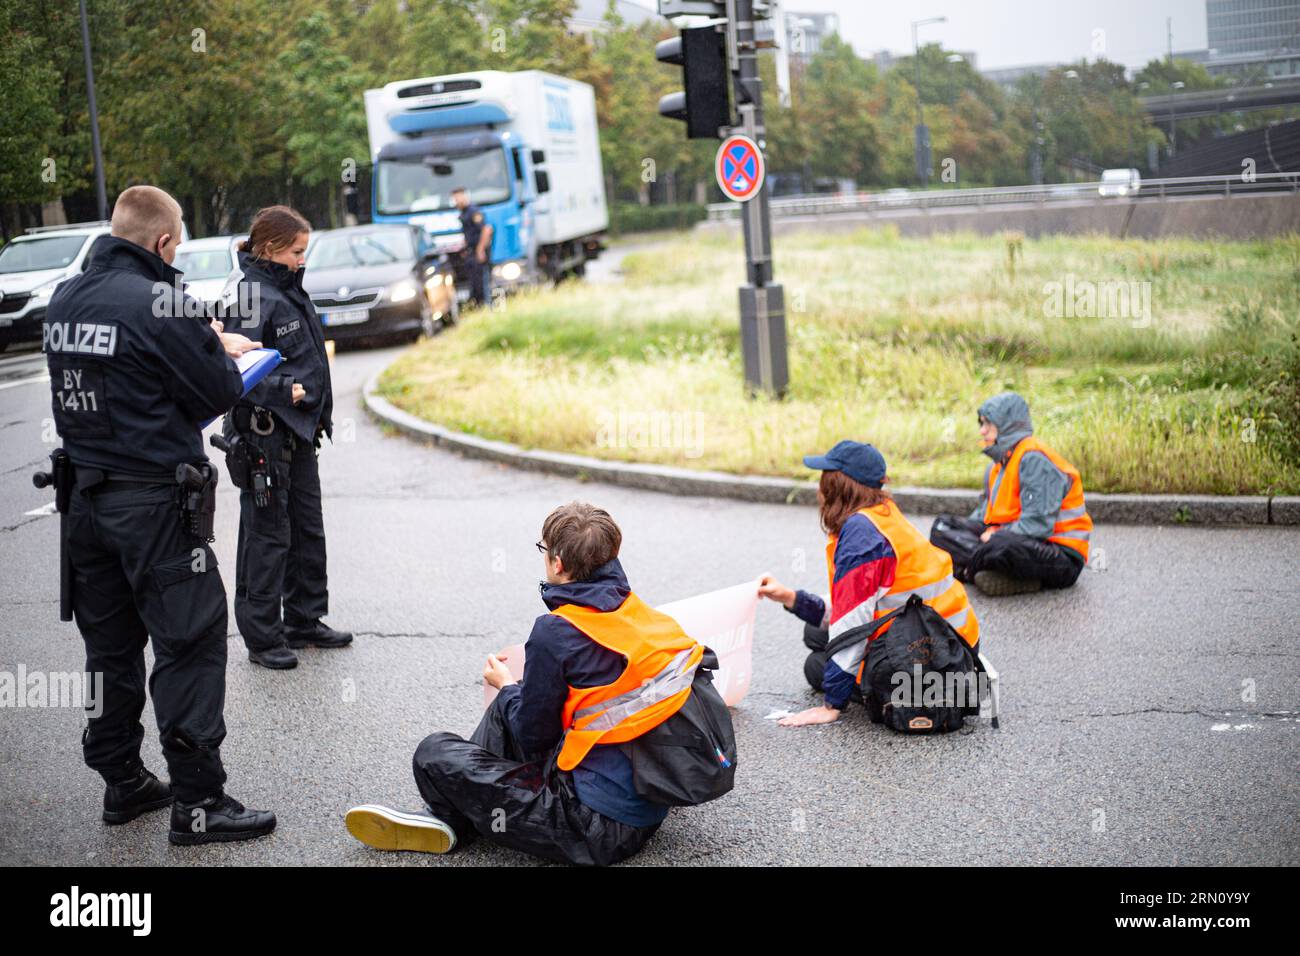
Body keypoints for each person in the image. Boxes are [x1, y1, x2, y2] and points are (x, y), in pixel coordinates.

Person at [41, 184, 275, 844]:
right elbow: (215, 392)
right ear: (164, 242)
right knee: (190, 643)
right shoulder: (163, 301)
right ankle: (200, 803)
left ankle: (122, 781)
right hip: (157, 504)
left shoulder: (66, 298)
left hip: (85, 503)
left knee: (108, 649)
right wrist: (223, 349)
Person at [345, 502, 707, 866]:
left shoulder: (556, 631)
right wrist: (511, 692)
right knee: (510, 701)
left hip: (592, 828)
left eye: (543, 551)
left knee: (433, 753)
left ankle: (451, 816)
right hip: (647, 807)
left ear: (559, 563)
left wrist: (505, 687)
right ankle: (458, 810)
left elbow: (536, 737)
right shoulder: (639, 613)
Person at [758, 441, 980, 727]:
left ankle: (896, 694)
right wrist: (790, 598)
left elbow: (853, 622)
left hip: (931, 658)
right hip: (954, 640)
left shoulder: (862, 539)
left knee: (816, 667)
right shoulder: (881, 512)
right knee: (815, 633)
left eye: (823, 481)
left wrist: (831, 704)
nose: (818, 491)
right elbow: (855, 603)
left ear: (838, 486)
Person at [216, 206, 351, 669]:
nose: (302, 260)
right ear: (271, 249)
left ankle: (303, 619)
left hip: (298, 435)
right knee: (267, 538)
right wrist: (282, 389)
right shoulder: (250, 295)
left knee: (305, 530)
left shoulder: (285, 287)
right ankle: (262, 636)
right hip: (263, 439)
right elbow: (232, 368)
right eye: (296, 251)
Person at [928, 392, 1092, 596]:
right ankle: (982, 570)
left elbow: (1037, 526)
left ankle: (966, 570)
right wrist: (974, 536)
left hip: (1060, 556)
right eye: (981, 424)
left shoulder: (1034, 459)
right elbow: (983, 517)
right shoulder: (999, 464)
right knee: (942, 527)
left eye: (988, 424)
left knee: (1002, 546)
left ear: (1006, 425)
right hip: (1008, 538)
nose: (982, 431)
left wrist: (992, 537)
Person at [451, 186, 492, 308]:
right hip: (471, 252)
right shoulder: (463, 213)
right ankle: (479, 308)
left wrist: (480, 250)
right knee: (475, 284)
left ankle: (487, 308)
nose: (456, 201)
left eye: (457, 198)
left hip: (478, 252)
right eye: (454, 199)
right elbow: (468, 233)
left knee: (482, 284)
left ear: (464, 196)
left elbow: (486, 229)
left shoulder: (473, 211)